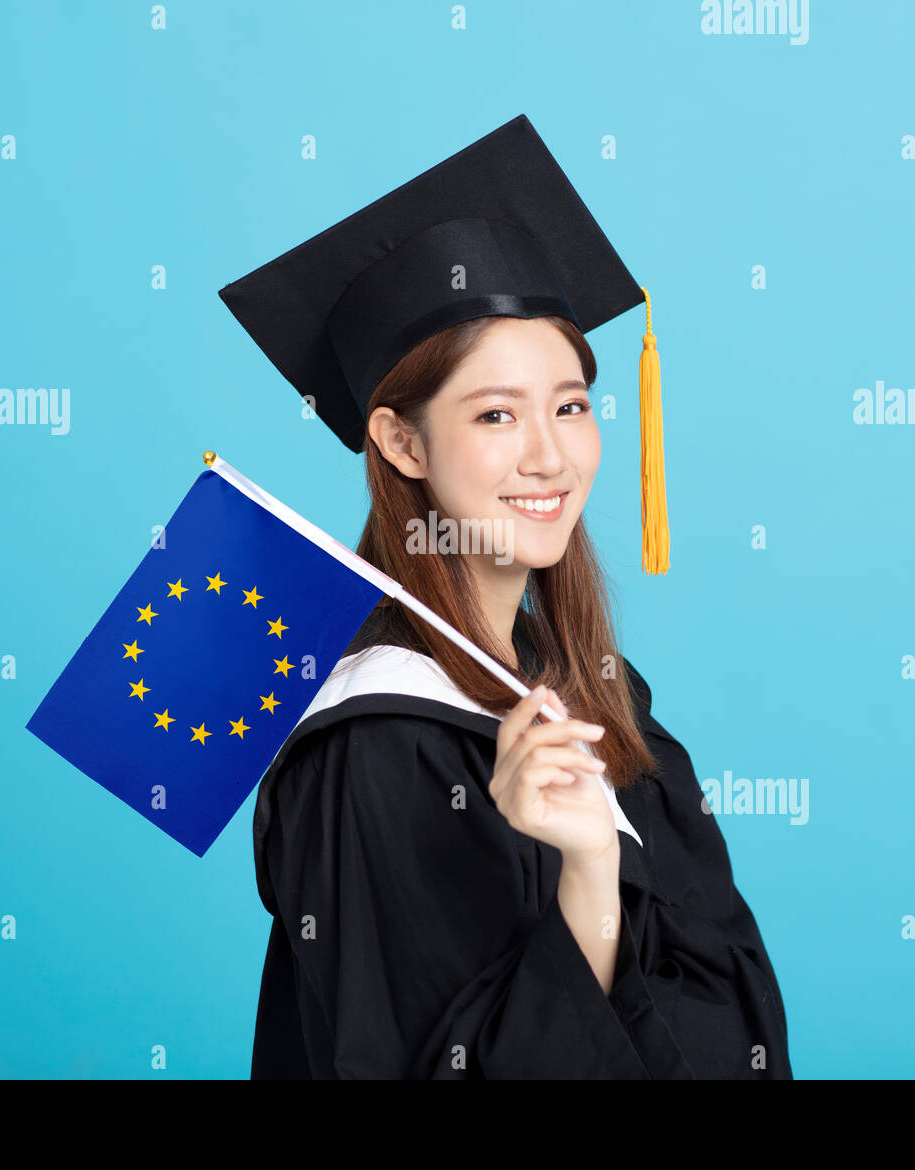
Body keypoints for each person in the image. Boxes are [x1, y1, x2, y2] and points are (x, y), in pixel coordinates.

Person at [218, 114, 792, 1079]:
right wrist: (589, 882)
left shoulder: (587, 685)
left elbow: (722, 990)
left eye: (571, 404)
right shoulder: (373, 746)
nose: (550, 456)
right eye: (495, 414)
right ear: (402, 445)